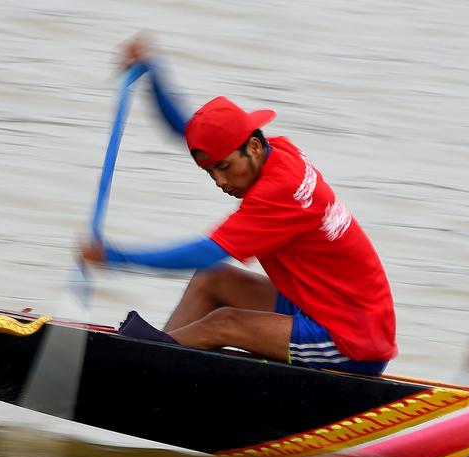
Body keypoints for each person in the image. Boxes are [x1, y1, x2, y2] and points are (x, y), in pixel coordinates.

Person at [79, 36, 397, 377]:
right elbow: (191, 130)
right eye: (210, 171)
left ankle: (136, 367)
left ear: (254, 148)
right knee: (211, 281)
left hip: (351, 338)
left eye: (225, 168)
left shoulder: (280, 193)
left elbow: (205, 251)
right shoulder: (275, 151)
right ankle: (152, 361)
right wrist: (153, 73)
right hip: (317, 304)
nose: (219, 181)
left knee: (224, 322)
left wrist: (117, 257)